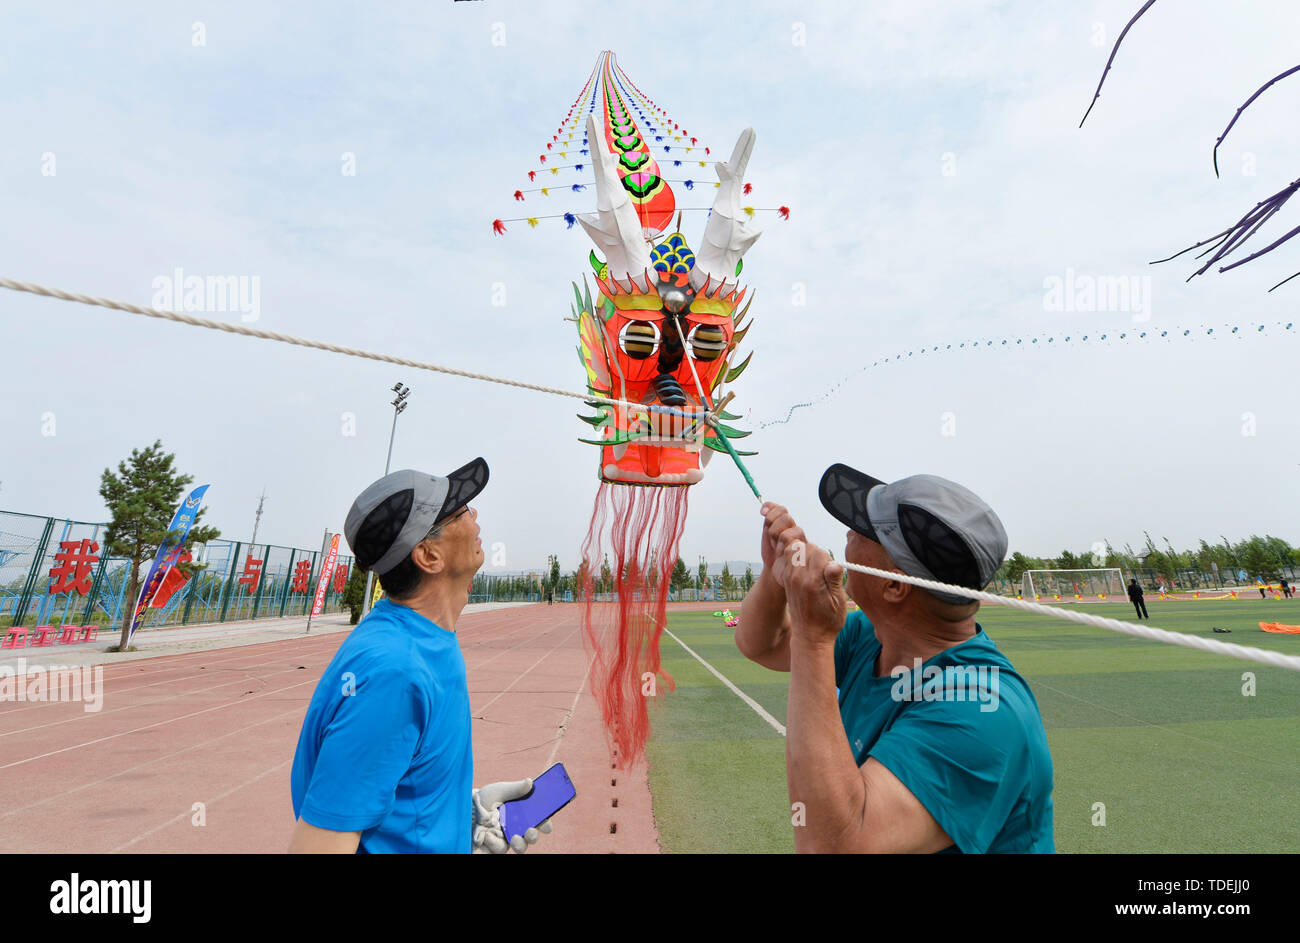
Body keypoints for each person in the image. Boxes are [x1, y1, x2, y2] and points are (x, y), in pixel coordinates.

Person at [735, 463, 1054, 853]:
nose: (849, 532)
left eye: (864, 530)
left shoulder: (983, 711)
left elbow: (834, 845)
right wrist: (775, 574)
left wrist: (814, 637)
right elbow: (764, 644)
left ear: (892, 585)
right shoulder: (871, 636)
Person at [289, 459, 549, 854]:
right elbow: (317, 847)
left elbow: (400, 789)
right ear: (428, 557)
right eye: (460, 511)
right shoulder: (393, 672)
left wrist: (465, 815)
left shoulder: (427, 640)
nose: (475, 515)